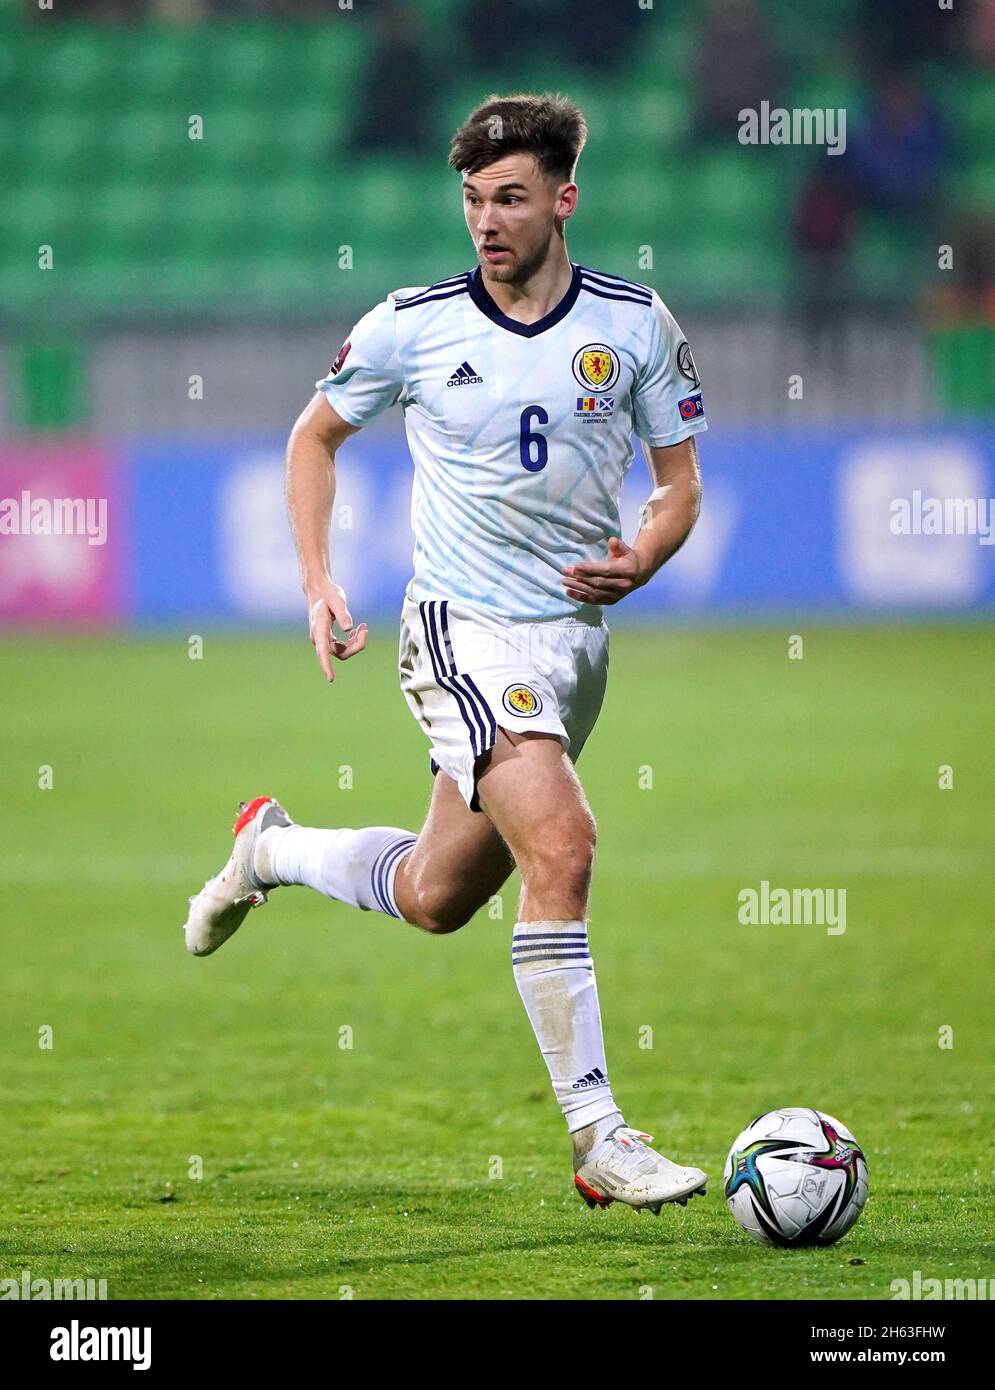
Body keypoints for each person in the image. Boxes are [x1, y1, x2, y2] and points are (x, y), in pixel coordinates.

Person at [183, 93, 708, 1214]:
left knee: (434, 896)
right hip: (457, 630)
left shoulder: (634, 326)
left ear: (564, 199)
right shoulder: (410, 327)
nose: (486, 221)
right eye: (471, 200)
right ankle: (599, 1134)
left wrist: (646, 558)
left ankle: (267, 854)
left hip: (572, 647)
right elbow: (314, 435)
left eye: (509, 198)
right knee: (561, 841)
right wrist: (318, 578)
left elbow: (678, 486)